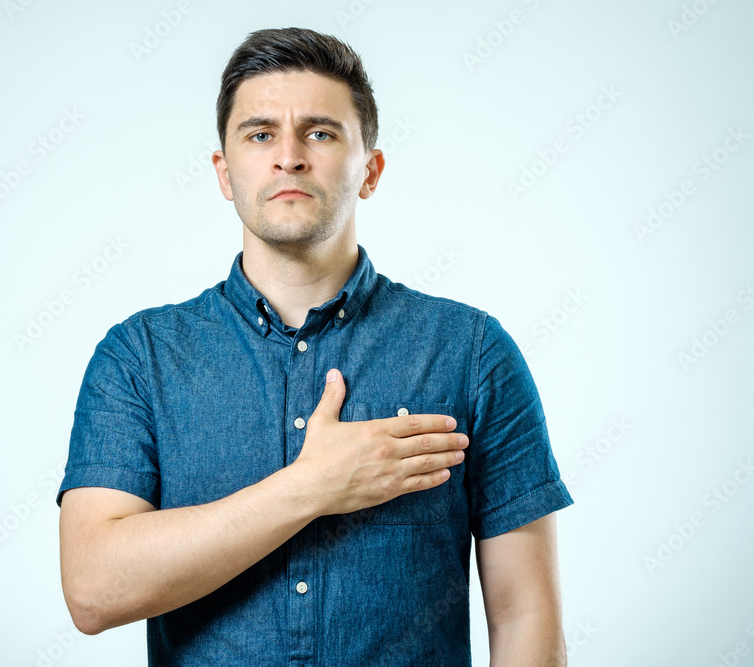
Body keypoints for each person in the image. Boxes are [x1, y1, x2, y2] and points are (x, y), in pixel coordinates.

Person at [57, 26, 573, 666]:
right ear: (224, 171)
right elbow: (92, 592)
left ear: (371, 170)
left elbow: (526, 614)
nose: (289, 157)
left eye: (321, 133)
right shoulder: (139, 358)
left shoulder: (472, 353)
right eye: (260, 134)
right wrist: (313, 486)